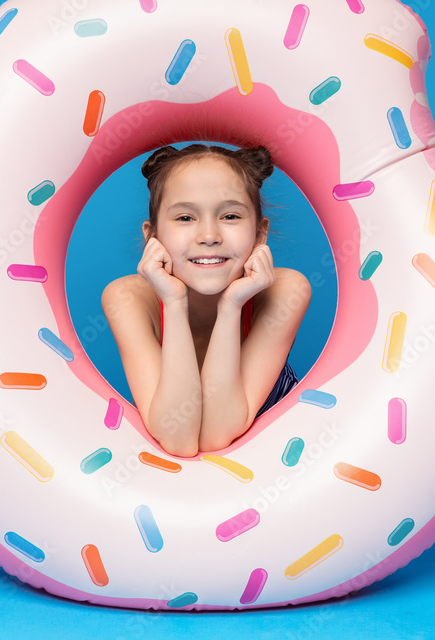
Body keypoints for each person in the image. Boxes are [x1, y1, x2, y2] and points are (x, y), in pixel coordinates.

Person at [102, 144, 311, 457]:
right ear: (152, 237)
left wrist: (231, 306)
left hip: (281, 462)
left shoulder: (285, 291)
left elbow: (216, 436)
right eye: (186, 217)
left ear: (259, 233)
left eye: (230, 215)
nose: (209, 235)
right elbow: (178, 440)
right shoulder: (127, 298)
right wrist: (173, 302)